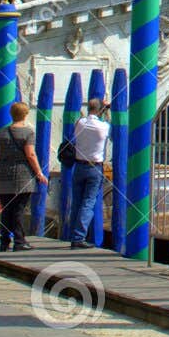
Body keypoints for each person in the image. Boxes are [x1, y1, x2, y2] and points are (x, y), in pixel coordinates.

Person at [0, 101, 44, 252]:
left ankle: (4, 241)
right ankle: (19, 241)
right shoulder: (28, 133)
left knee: (6, 209)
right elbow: (31, 154)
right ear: (25, 114)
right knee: (19, 209)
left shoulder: (1, 133)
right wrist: (39, 172)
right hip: (23, 174)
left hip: (3, 174)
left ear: (11, 114)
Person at [67, 98, 110, 249]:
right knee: (88, 202)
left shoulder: (80, 123)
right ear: (100, 110)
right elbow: (108, 129)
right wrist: (107, 110)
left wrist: (101, 108)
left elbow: (80, 120)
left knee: (77, 202)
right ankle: (79, 237)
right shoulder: (103, 126)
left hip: (79, 166)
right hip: (95, 167)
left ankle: (72, 234)